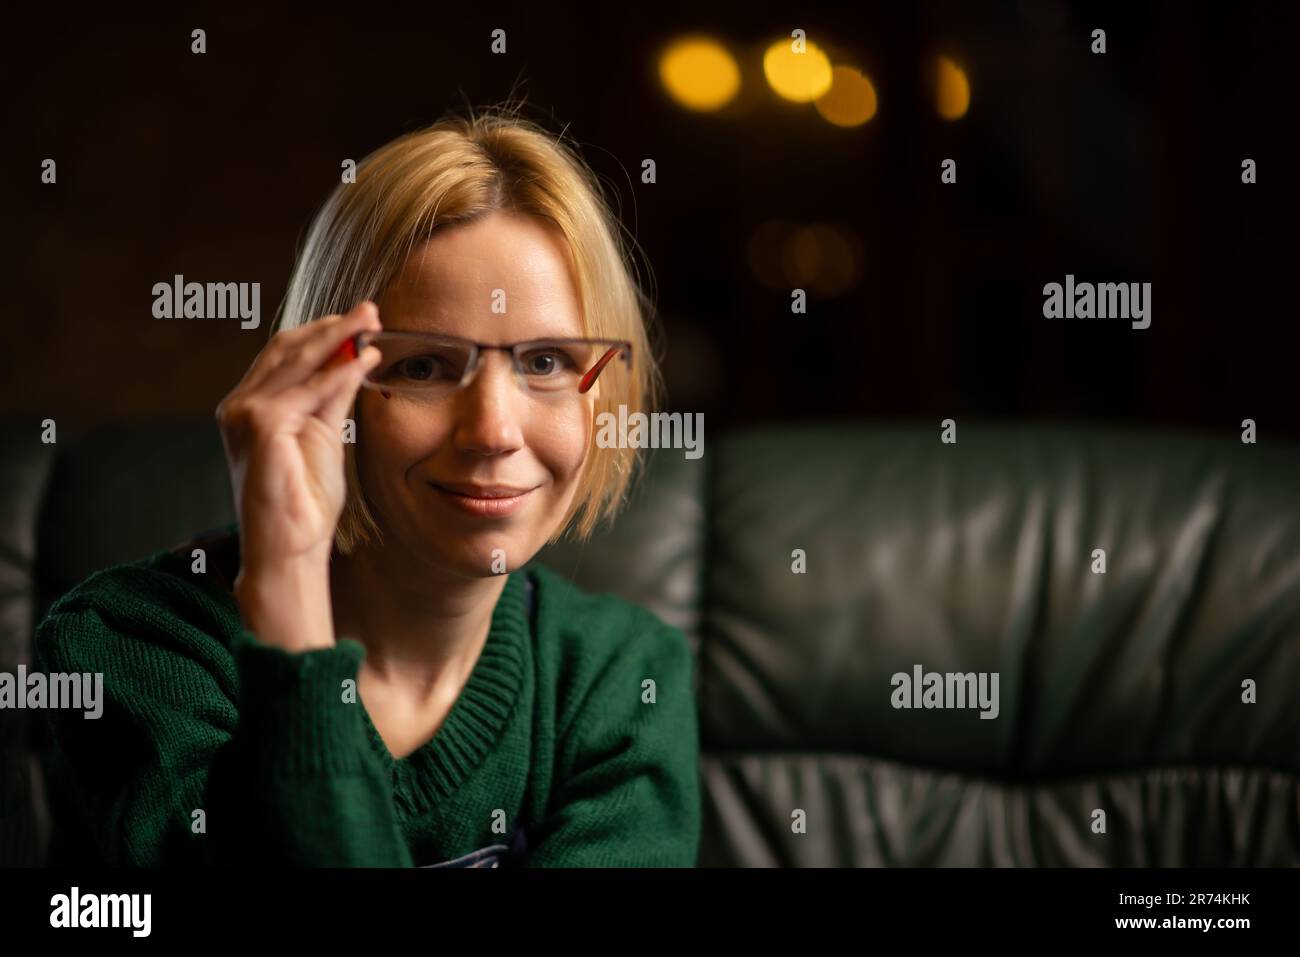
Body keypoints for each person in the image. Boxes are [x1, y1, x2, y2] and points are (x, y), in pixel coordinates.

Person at [33, 105, 701, 867]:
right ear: (328, 387)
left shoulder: (623, 678)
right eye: (422, 365)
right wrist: (285, 586)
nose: (493, 430)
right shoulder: (130, 645)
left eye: (546, 361)